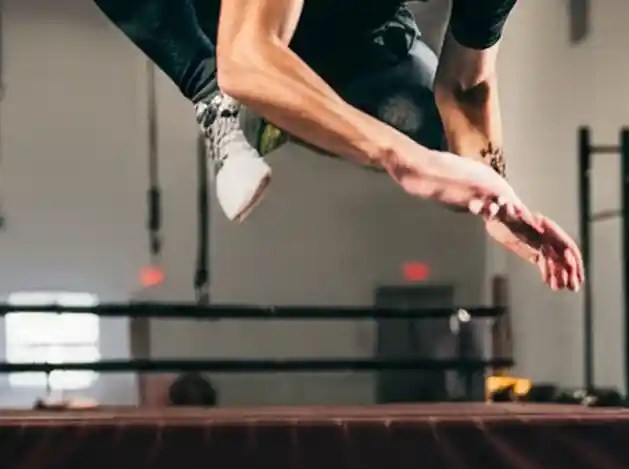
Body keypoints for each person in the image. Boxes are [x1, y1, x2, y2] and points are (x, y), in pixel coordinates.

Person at [92, 0, 582, 292]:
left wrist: (500, 205)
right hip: (222, 26)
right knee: (252, 71)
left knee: (431, 133)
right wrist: (405, 161)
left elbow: (468, 88)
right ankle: (208, 90)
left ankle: (294, 104)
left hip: (358, 41)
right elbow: (247, 54)